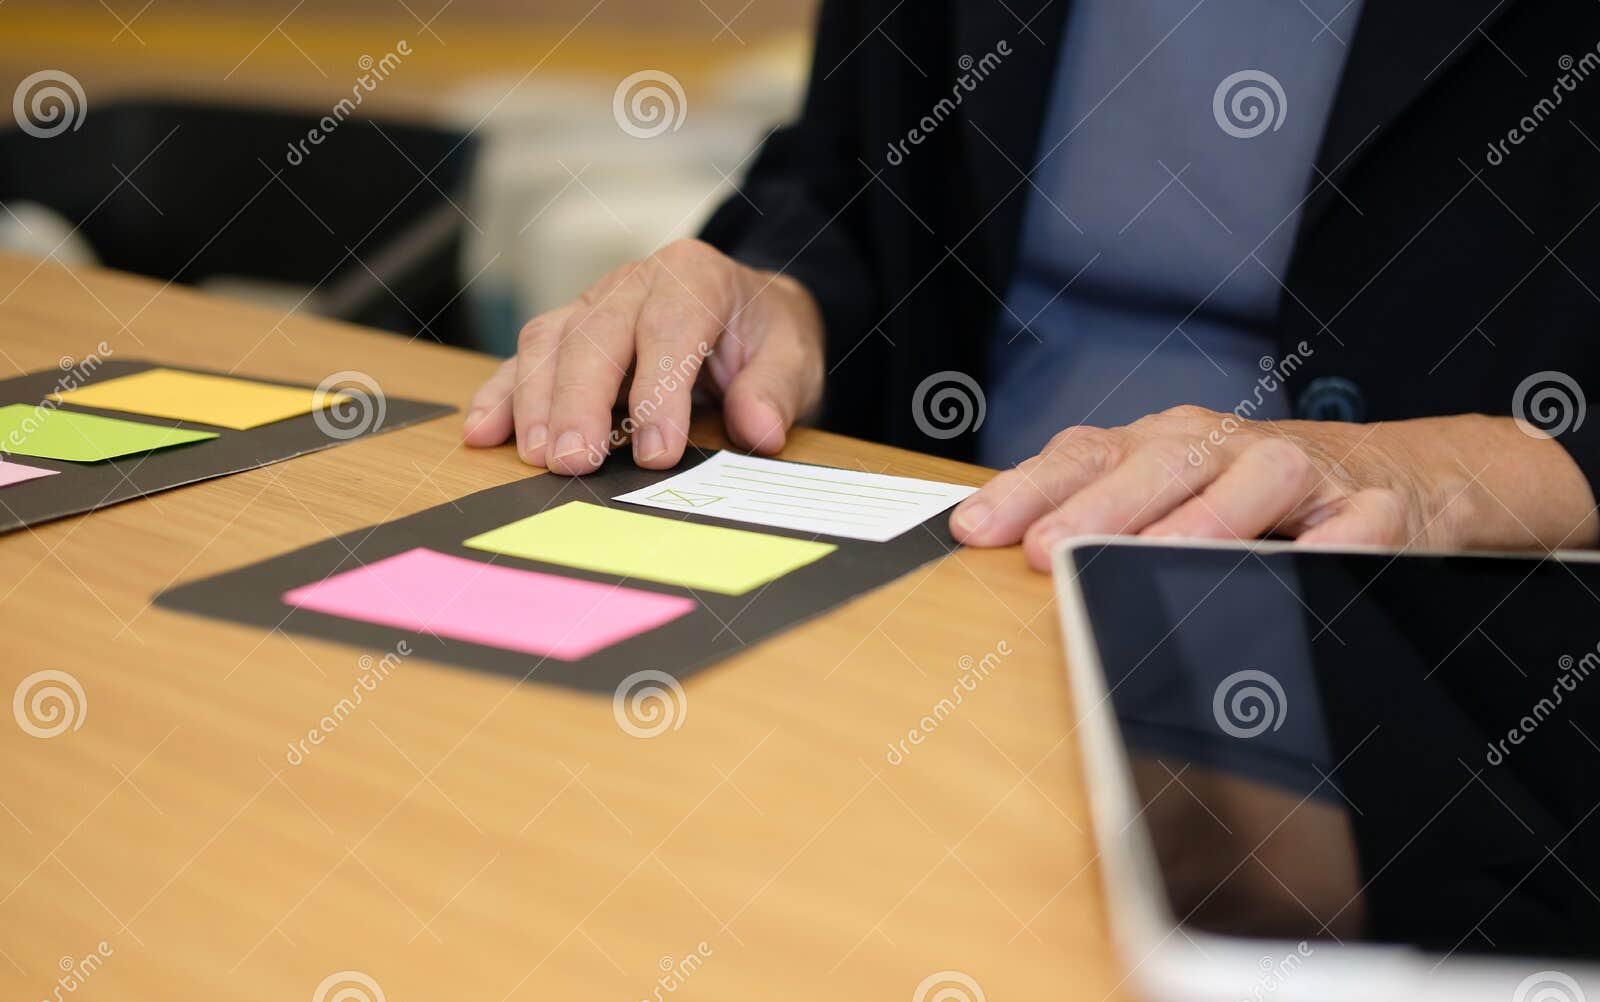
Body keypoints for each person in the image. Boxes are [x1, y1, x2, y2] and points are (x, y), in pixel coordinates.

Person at [464, 0, 1600, 570]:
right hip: (956, 573)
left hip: (1426, 673)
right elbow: (847, 176)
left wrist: (1428, 474)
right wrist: (780, 296)